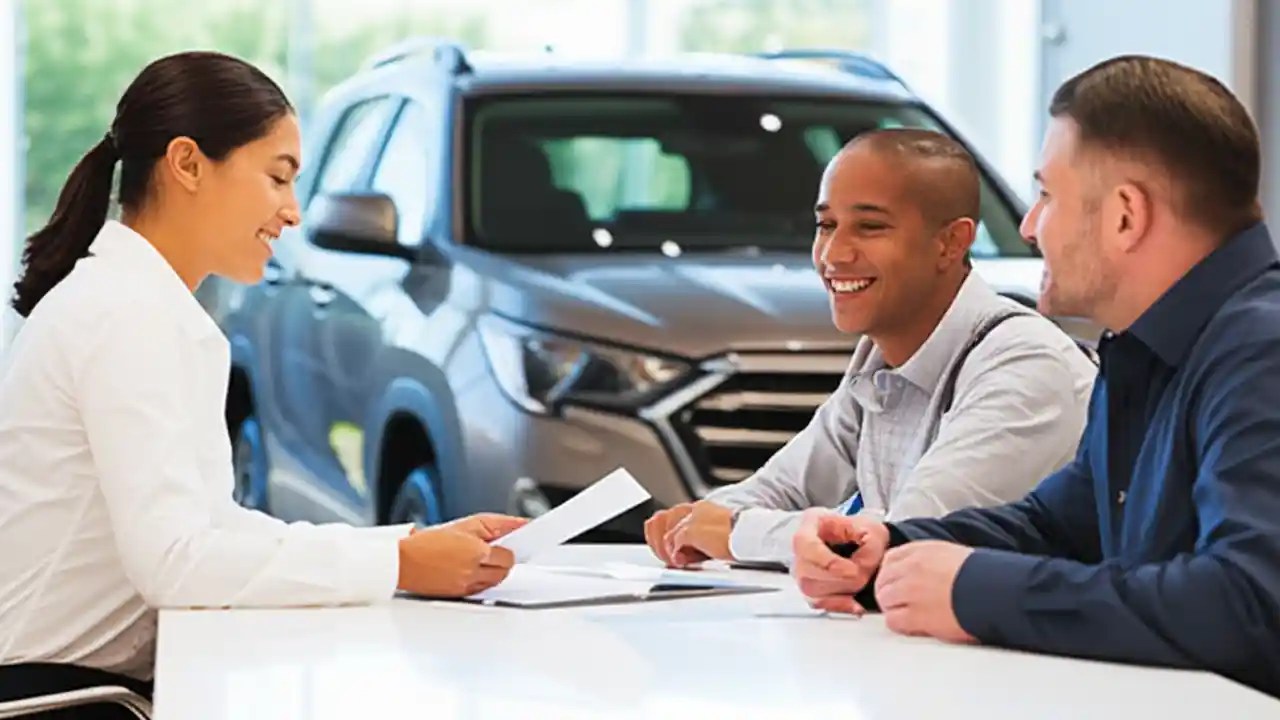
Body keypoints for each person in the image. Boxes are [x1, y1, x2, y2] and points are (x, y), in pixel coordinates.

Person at [0, 51, 526, 703]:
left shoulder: (140, 304)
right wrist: (396, 563)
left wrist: (406, 547)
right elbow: (177, 564)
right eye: (278, 178)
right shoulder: (122, 314)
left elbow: (212, 527)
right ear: (187, 163)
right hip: (62, 698)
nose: (293, 213)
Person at [791, 55, 1280, 698]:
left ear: (1125, 216)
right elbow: (1058, 525)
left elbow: (1248, 605)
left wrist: (974, 591)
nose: (1028, 226)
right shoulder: (1147, 350)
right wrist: (891, 545)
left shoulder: (1260, 350)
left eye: (1047, 195)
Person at [644, 129, 1097, 568]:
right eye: (826, 225)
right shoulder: (881, 354)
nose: (834, 254)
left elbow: (902, 541)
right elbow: (779, 489)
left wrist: (736, 533)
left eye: (870, 227)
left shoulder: (1028, 367)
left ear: (951, 242)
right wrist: (698, 524)